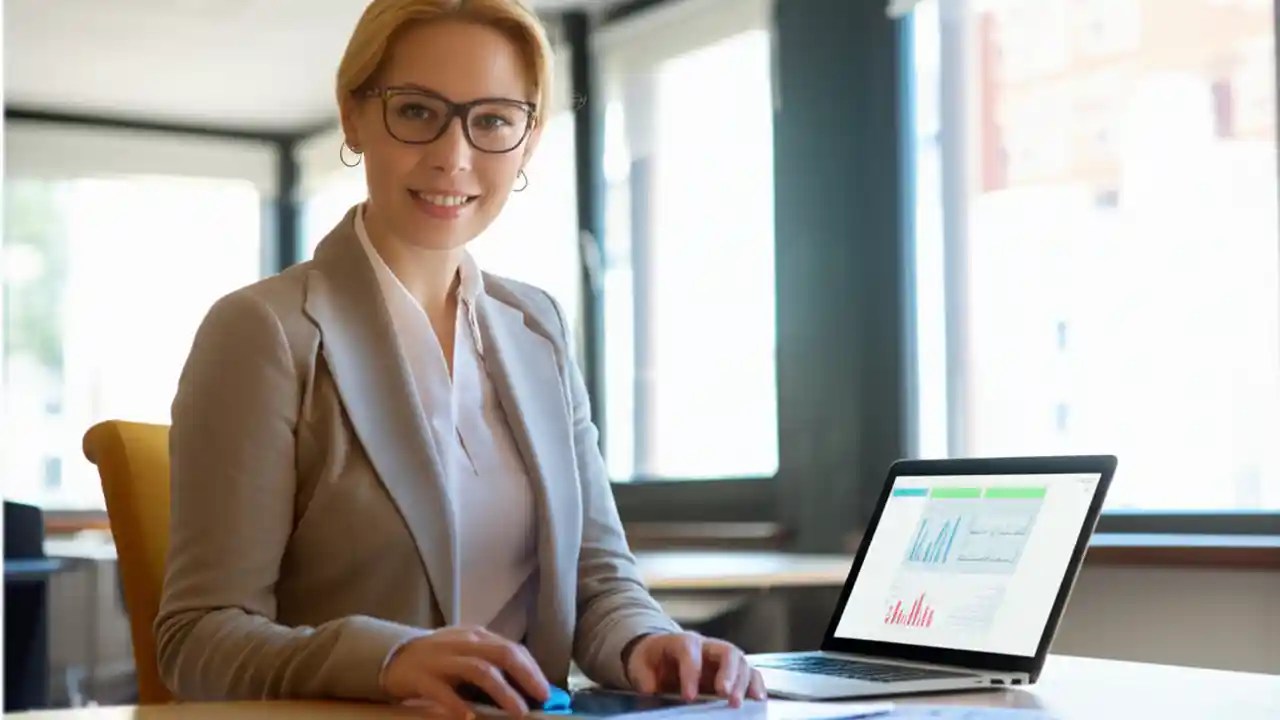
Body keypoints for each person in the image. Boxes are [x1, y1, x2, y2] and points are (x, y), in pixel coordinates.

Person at [154, 0, 766, 714]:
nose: (454, 156)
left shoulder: (537, 327)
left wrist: (649, 645)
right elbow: (196, 642)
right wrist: (387, 661)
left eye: (494, 120)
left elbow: (600, 585)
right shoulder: (262, 331)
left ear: (529, 140)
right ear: (353, 116)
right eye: (416, 112)